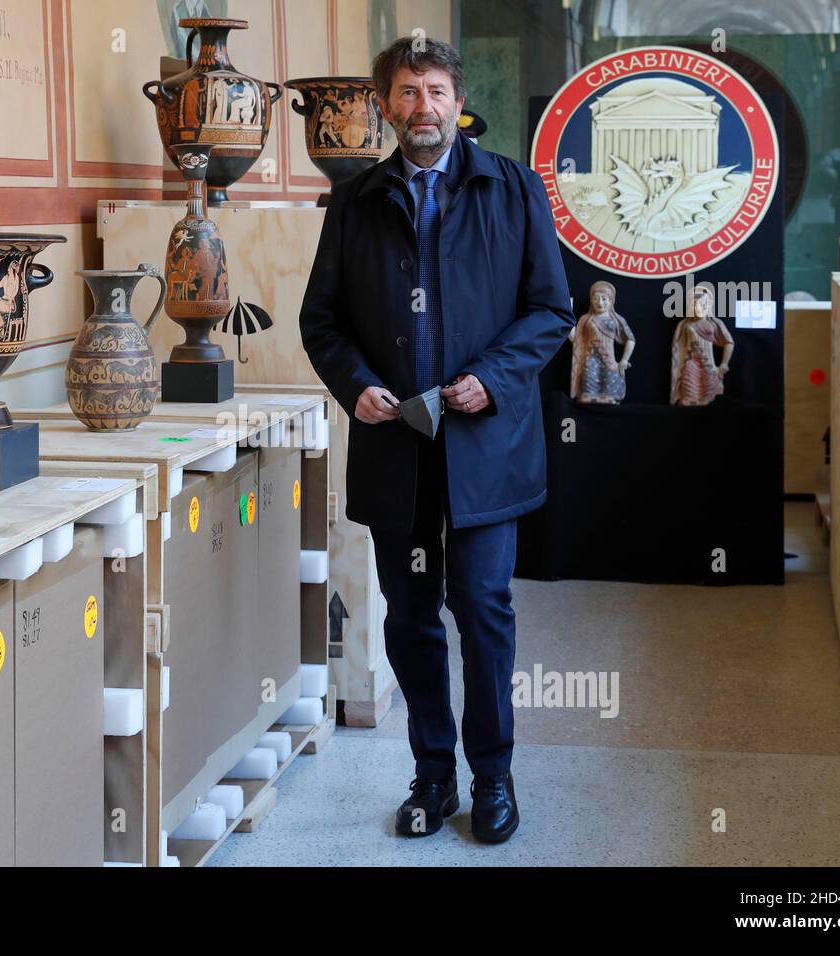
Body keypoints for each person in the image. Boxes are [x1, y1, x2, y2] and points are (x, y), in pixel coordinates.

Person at [299, 35, 574, 843]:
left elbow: (551, 311)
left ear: (459, 101)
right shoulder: (353, 203)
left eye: (437, 90)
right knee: (411, 616)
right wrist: (357, 387)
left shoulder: (514, 190)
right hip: (396, 442)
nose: (424, 106)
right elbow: (323, 321)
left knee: (483, 607)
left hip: (486, 442)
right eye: (408, 92)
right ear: (386, 105)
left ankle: (495, 778)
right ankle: (431, 775)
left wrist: (494, 375)